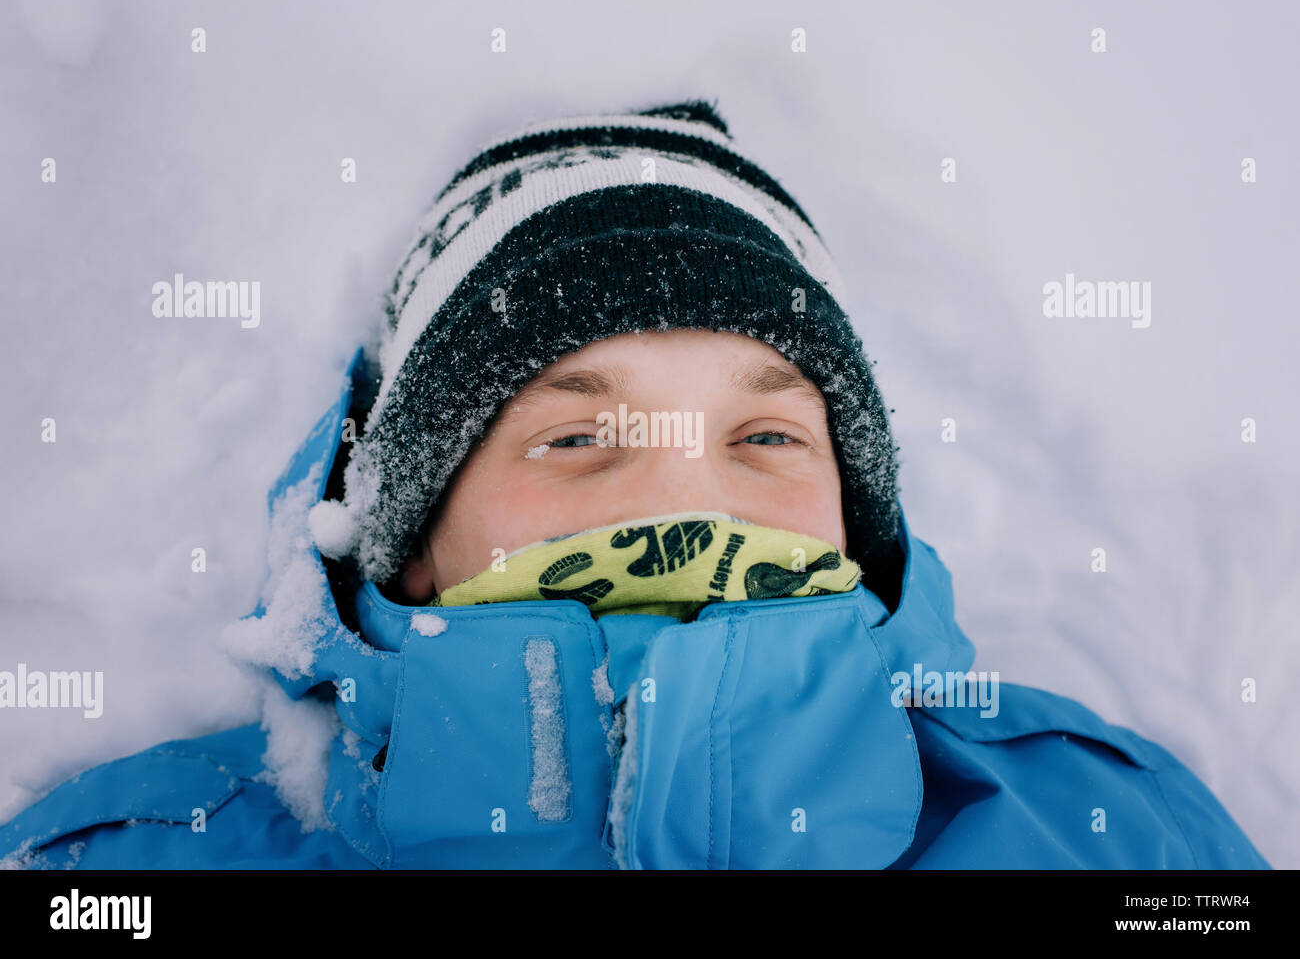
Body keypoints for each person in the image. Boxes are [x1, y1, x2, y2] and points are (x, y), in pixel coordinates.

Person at [0, 100, 1269, 870]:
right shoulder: (119, 868)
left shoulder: (1113, 827)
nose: (688, 503)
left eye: (767, 438)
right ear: (410, 539)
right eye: (574, 438)